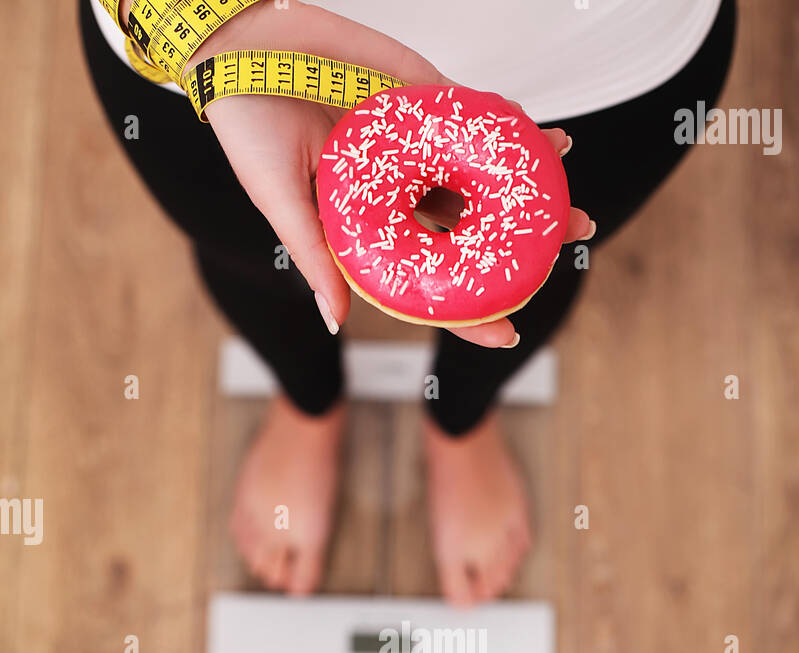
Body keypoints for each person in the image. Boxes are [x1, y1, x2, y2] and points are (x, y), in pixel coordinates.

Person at [81, 0, 735, 604]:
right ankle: (308, 402)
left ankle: (460, 423)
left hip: (598, 57)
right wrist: (200, 22)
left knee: (531, 280)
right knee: (255, 260)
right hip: (219, 52)